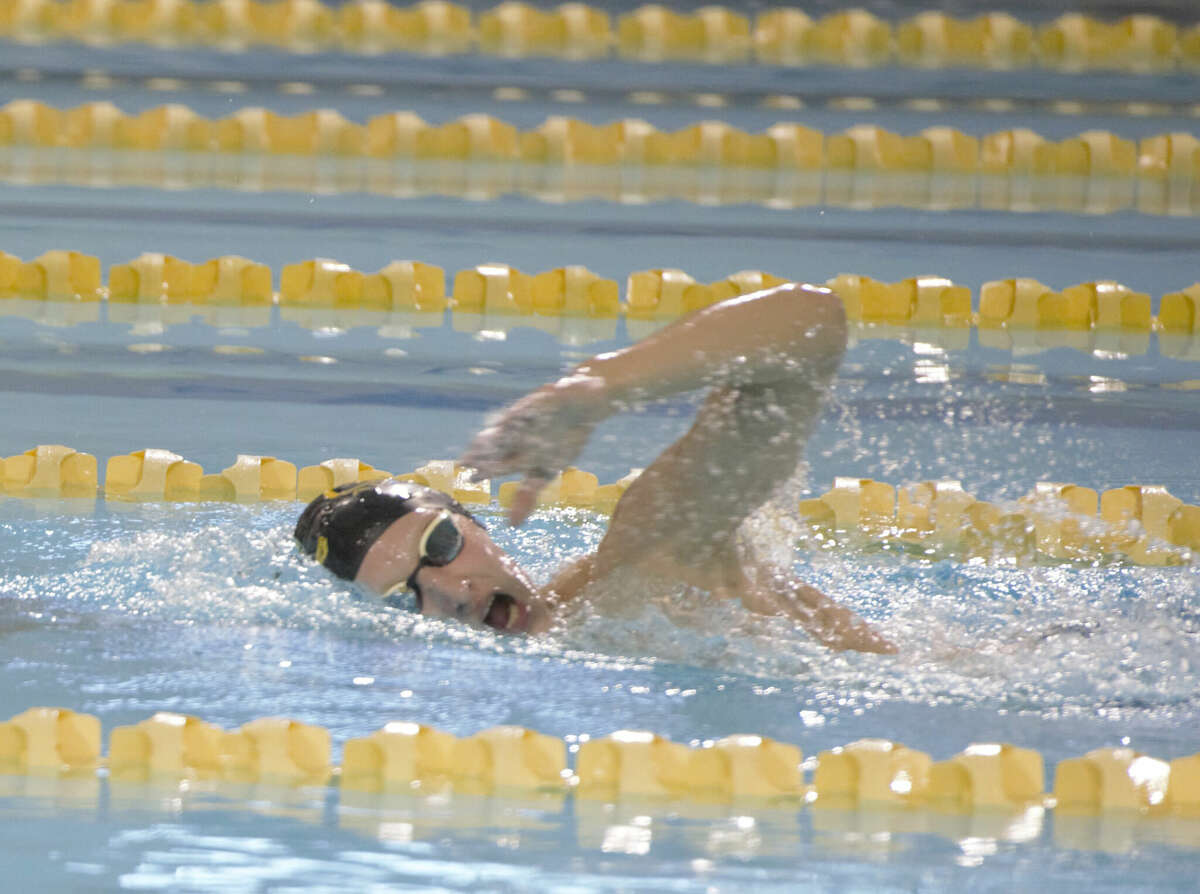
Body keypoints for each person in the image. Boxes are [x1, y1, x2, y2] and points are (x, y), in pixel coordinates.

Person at [294, 282, 896, 653]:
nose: (456, 592)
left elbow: (813, 322)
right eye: (406, 596)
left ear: (475, 525)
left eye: (443, 543)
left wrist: (601, 386)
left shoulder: (643, 566)